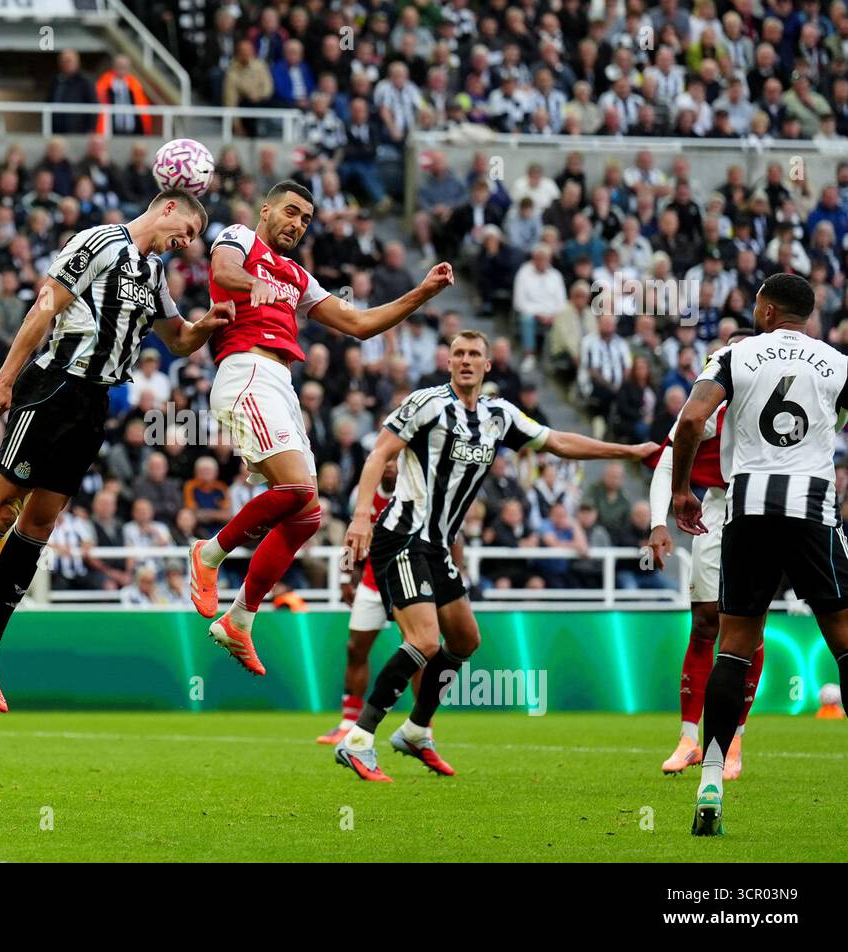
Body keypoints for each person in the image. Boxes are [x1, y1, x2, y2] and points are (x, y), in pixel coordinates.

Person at [0, 190, 233, 712]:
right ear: (169, 209)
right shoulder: (98, 242)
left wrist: (203, 327)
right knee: (0, 509)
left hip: (95, 404)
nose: (186, 244)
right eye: (188, 231)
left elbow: (176, 340)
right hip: (53, 387)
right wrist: (5, 381)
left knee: (40, 524)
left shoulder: (154, 274)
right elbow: (44, 306)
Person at [334, 330, 656, 781]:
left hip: (438, 545)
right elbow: (379, 454)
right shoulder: (427, 403)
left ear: (488, 365)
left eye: (474, 355)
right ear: (448, 362)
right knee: (425, 642)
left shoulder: (498, 415)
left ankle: (415, 731)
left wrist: (626, 451)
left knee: (464, 641)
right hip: (402, 535)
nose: (465, 360)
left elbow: (558, 441)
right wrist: (360, 517)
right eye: (459, 353)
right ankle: (359, 739)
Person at [188, 181, 454, 678]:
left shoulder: (297, 275)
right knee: (294, 488)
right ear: (266, 209)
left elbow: (358, 324)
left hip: (280, 383)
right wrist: (259, 286)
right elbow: (223, 271)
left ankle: (240, 619)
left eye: (306, 218)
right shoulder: (240, 237)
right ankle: (208, 553)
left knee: (307, 514)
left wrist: (422, 292)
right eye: (291, 212)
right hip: (245, 368)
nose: (298, 223)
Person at [671, 273, 848, 836]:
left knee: (735, 647)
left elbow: (692, 420)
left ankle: (713, 779)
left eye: (755, 305)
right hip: (814, 513)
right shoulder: (837, 362)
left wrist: (680, 491)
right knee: (845, 643)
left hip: (746, 510)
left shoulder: (732, 356)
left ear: (769, 311)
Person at [646, 330, 763, 780]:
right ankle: (688, 738)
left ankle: (734, 740)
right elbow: (668, 458)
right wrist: (659, 522)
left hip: (766, 511)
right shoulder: (706, 400)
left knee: (749, 629)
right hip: (716, 511)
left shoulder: (770, 399)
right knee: (704, 624)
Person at [316, 456, 422, 745]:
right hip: (372, 582)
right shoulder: (362, 496)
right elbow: (353, 537)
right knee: (355, 649)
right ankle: (348, 722)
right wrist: (345, 577)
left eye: (394, 461)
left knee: (420, 651)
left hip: (407, 583)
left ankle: (421, 727)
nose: (389, 466)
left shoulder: (414, 491)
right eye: (384, 461)